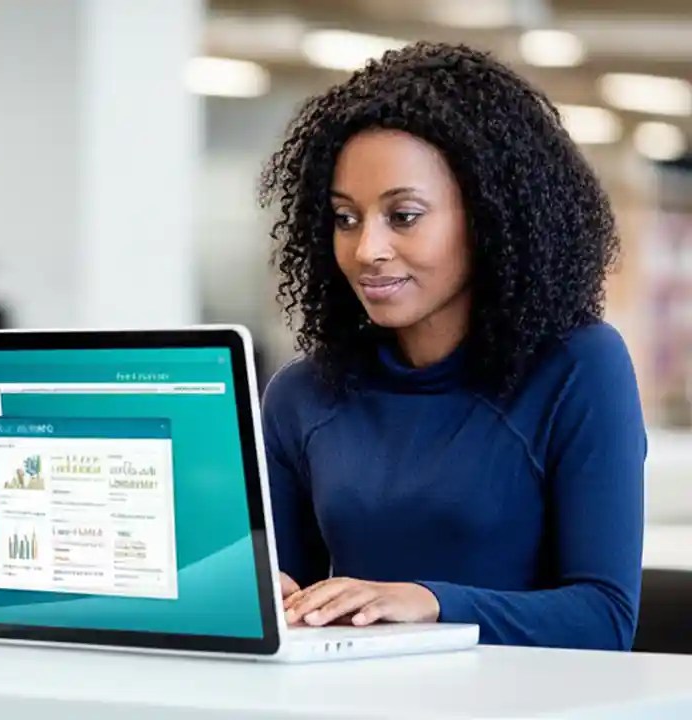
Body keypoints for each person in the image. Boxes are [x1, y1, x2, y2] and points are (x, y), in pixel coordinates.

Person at [259, 41, 645, 650]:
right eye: (345, 218)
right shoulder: (302, 394)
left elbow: (604, 618)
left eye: (404, 216)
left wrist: (430, 602)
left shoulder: (578, 366)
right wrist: (267, 601)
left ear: (490, 215)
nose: (367, 250)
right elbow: (292, 611)